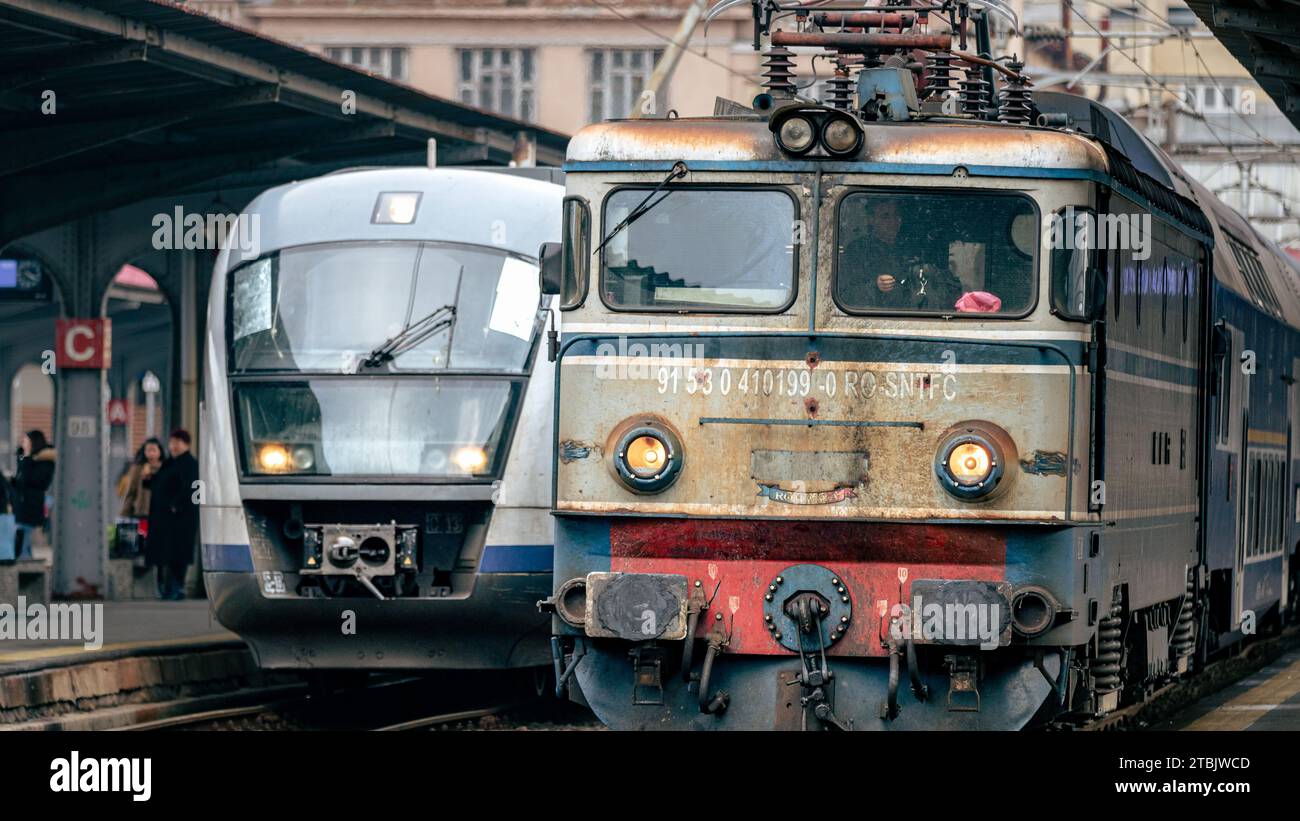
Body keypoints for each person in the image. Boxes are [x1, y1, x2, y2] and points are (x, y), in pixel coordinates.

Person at [840, 198, 963, 312]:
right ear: (871, 219)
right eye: (885, 216)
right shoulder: (858, 250)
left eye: (896, 215)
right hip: (876, 318)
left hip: (917, 314)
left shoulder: (911, 246)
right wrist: (875, 286)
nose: (893, 221)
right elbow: (845, 294)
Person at [146, 429, 198, 600]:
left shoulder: (190, 464)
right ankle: (165, 588)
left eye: (178, 443)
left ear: (186, 444)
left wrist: (177, 505)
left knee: (179, 553)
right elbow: (158, 484)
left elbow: (192, 489)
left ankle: (177, 587)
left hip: (181, 518)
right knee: (164, 554)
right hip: (164, 518)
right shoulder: (169, 463)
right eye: (171, 443)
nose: (173, 446)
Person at [12, 430, 56, 560]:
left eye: (25, 440)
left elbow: (34, 481)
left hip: (31, 506)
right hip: (22, 505)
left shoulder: (44, 460)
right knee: (24, 543)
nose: (23, 443)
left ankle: (27, 566)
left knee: (25, 541)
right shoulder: (26, 460)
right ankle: (27, 565)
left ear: (33, 442)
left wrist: (25, 460)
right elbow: (21, 481)